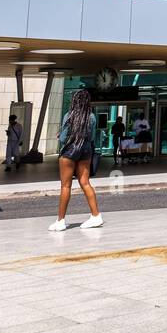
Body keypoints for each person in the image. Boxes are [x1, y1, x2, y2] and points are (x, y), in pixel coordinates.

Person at [49, 88, 104, 231]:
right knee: (85, 182)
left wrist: (60, 136)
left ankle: (60, 221)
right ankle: (96, 216)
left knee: (66, 186)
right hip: (86, 152)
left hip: (69, 152)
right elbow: (91, 138)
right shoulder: (91, 117)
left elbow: (63, 139)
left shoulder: (69, 115)